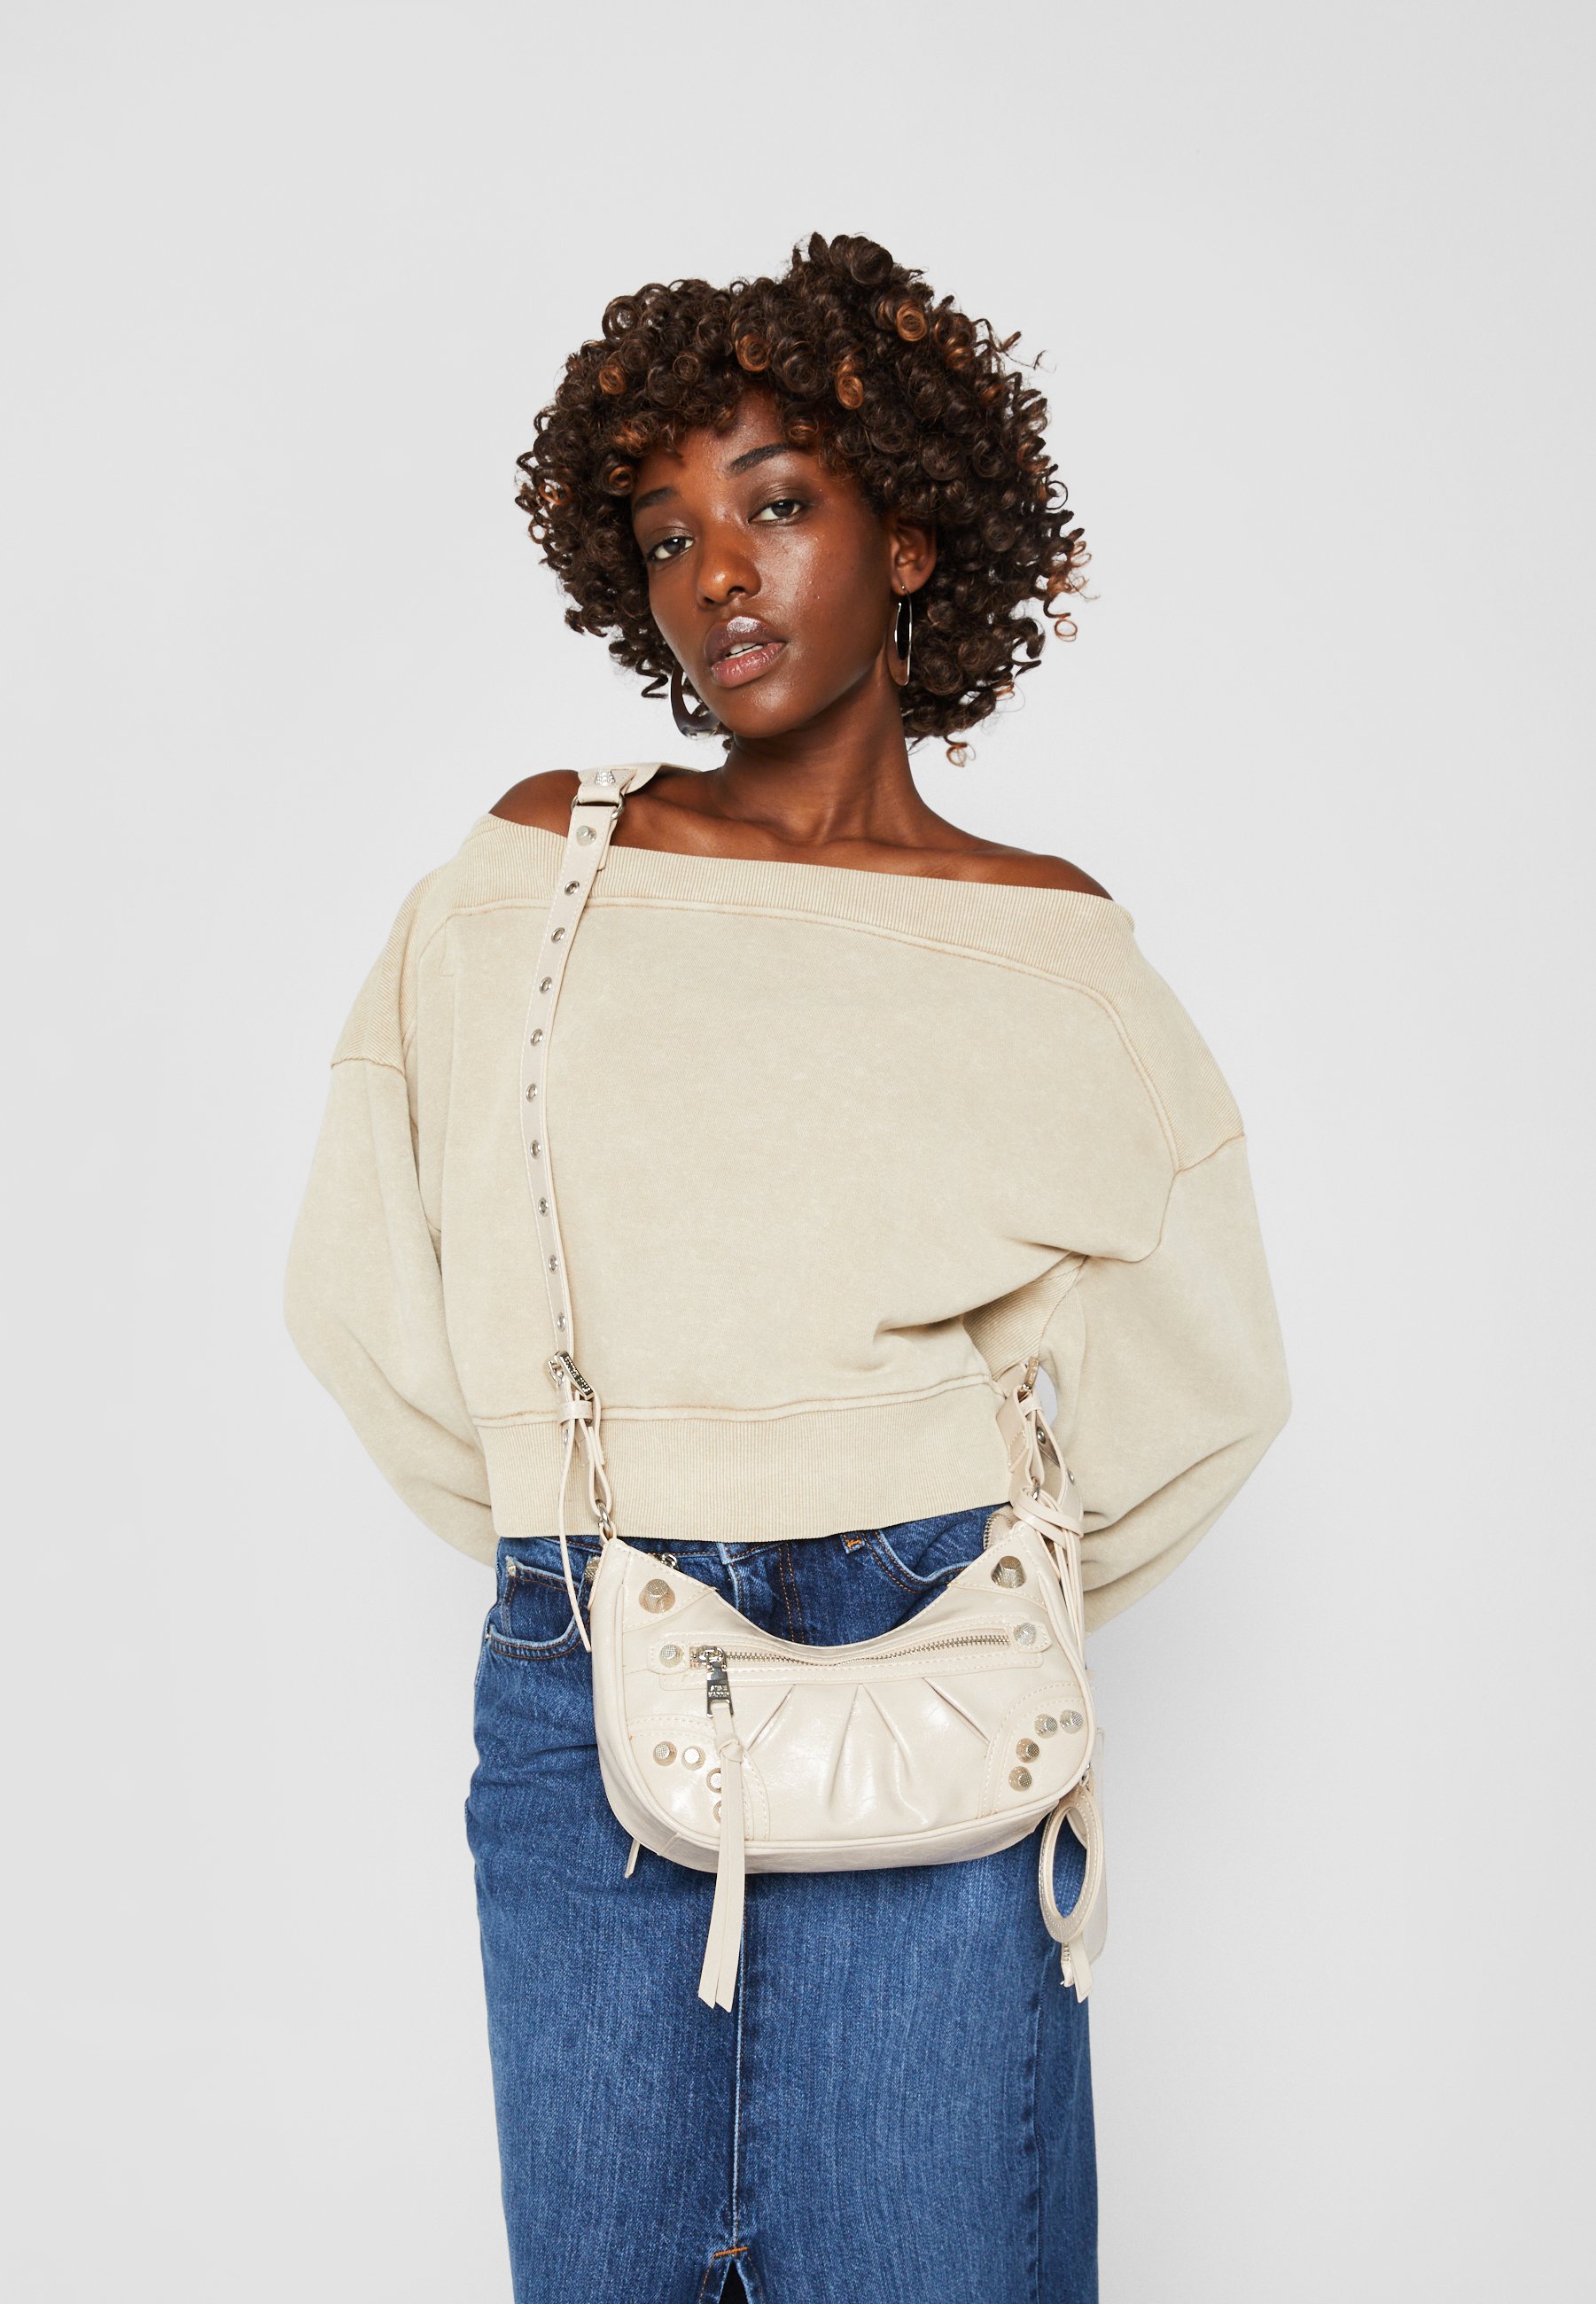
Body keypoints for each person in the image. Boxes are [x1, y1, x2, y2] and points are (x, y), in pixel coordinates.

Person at [284, 231, 1291, 2304]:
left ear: (911, 535)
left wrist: (943, 1557)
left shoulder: (1050, 948)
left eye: (774, 502)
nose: (716, 576)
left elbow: (1206, 1383)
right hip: (585, 1684)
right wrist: (578, 1538)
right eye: (666, 535)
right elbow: (367, 1279)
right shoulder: (538, 872)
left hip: (935, 1660)